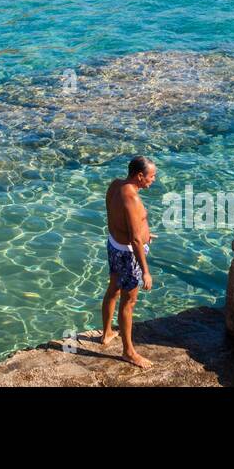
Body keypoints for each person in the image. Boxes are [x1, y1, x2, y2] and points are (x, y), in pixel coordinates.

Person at [100, 156, 157, 367]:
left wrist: (145, 234)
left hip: (114, 245)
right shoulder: (132, 198)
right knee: (129, 302)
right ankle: (129, 352)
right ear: (139, 176)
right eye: (151, 176)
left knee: (113, 289)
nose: (154, 179)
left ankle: (106, 334)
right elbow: (134, 240)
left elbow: (115, 217)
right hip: (128, 254)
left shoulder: (115, 185)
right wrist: (145, 271)